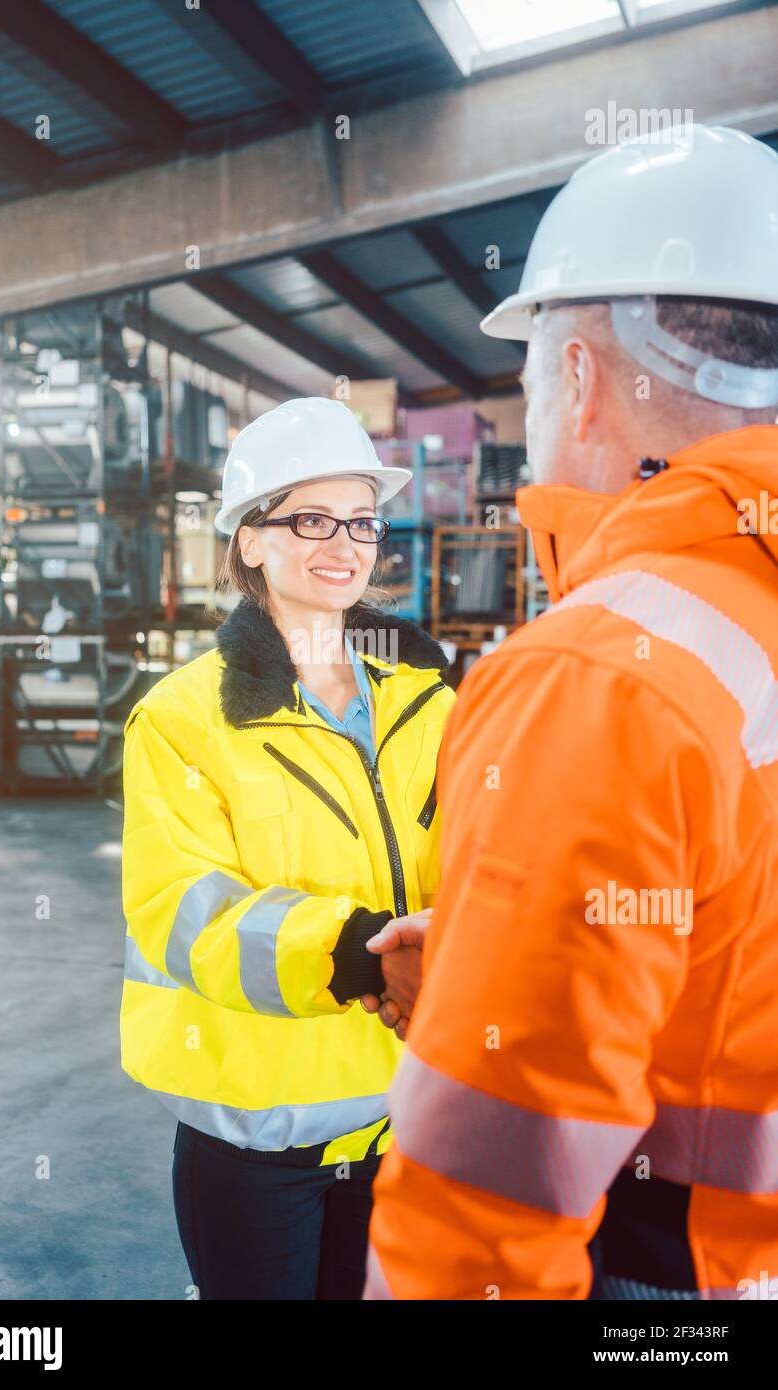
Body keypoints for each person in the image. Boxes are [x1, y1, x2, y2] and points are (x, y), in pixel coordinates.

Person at [365, 125, 778, 1300]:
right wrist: (522, 944)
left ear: (586, 384)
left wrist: (524, 972)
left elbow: (483, 1222)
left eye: (534, 381)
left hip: (669, 1268)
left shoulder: (599, 676)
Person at [119, 396, 455, 1299]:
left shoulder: (429, 699)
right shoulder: (183, 719)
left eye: (359, 520)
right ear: (250, 541)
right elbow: (184, 911)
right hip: (259, 1136)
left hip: (407, 1120)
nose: (343, 543)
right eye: (310, 518)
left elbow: (488, 861)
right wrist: (363, 957)